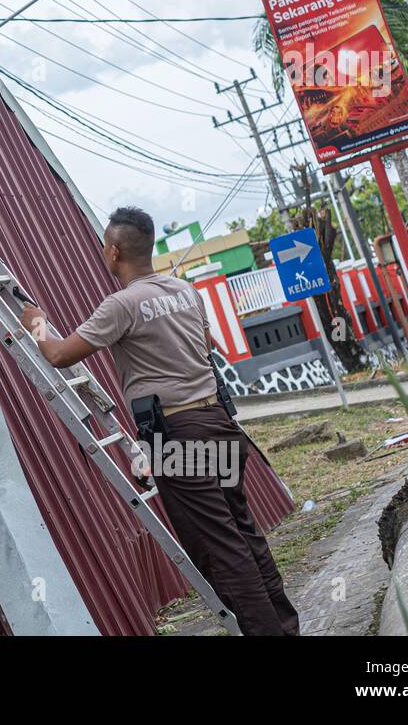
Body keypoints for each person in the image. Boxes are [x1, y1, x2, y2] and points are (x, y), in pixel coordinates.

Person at [18, 205, 300, 636]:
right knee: (243, 535)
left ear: (113, 252)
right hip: (218, 421)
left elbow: (57, 355)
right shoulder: (186, 291)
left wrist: (36, 325)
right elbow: (206, 341)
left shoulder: (121, 305)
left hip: (177, 437)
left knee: (219, 549)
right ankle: (284, 626)